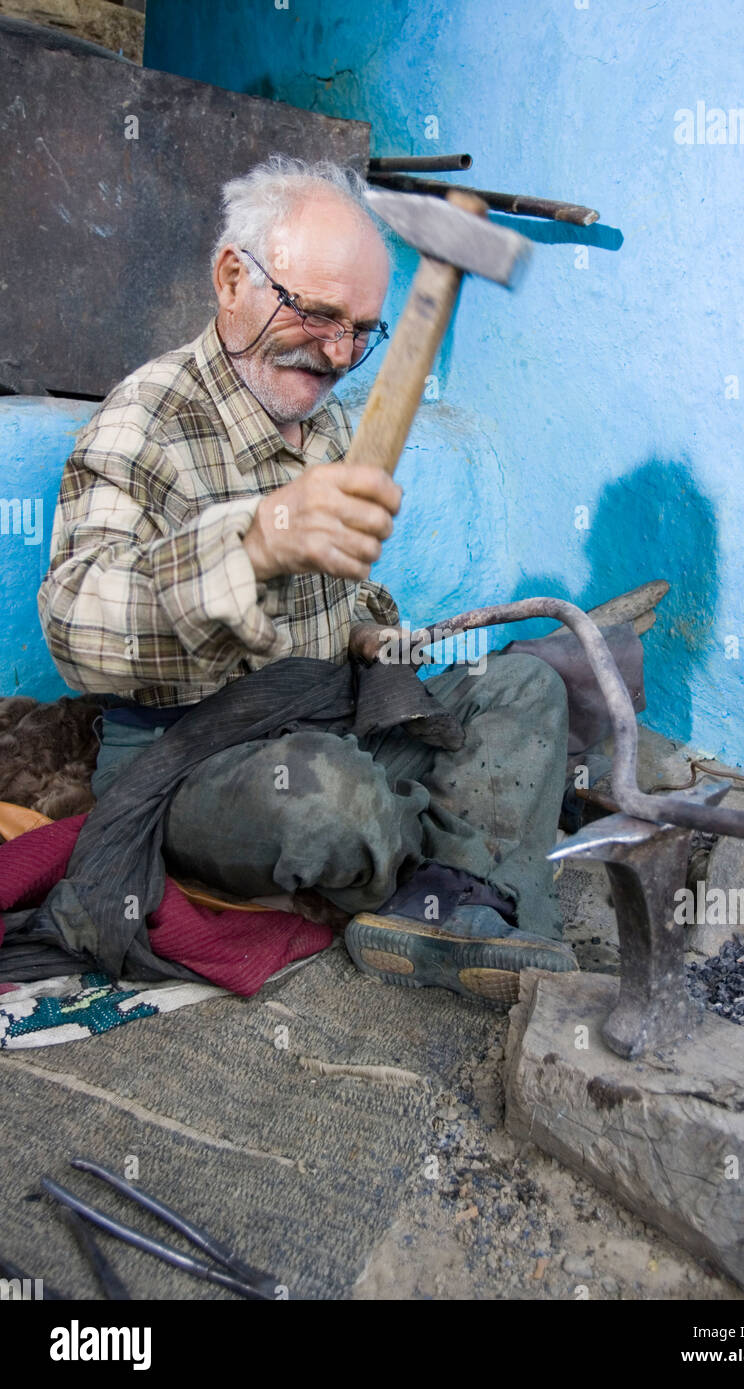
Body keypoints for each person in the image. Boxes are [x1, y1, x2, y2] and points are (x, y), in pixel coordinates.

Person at [37, 155, 576, 1006]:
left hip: (327, 712)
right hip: (194, 759)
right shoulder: (146, 419)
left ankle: (437, 891)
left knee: (527, 689)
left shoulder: (319, 421)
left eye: (363, 330)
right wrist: (257, 539)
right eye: (319, 314)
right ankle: (446, 878)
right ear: (231, 278)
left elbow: (339, 596)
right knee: (327, 797)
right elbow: (75, 626)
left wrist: (371, 634)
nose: (337, 352)